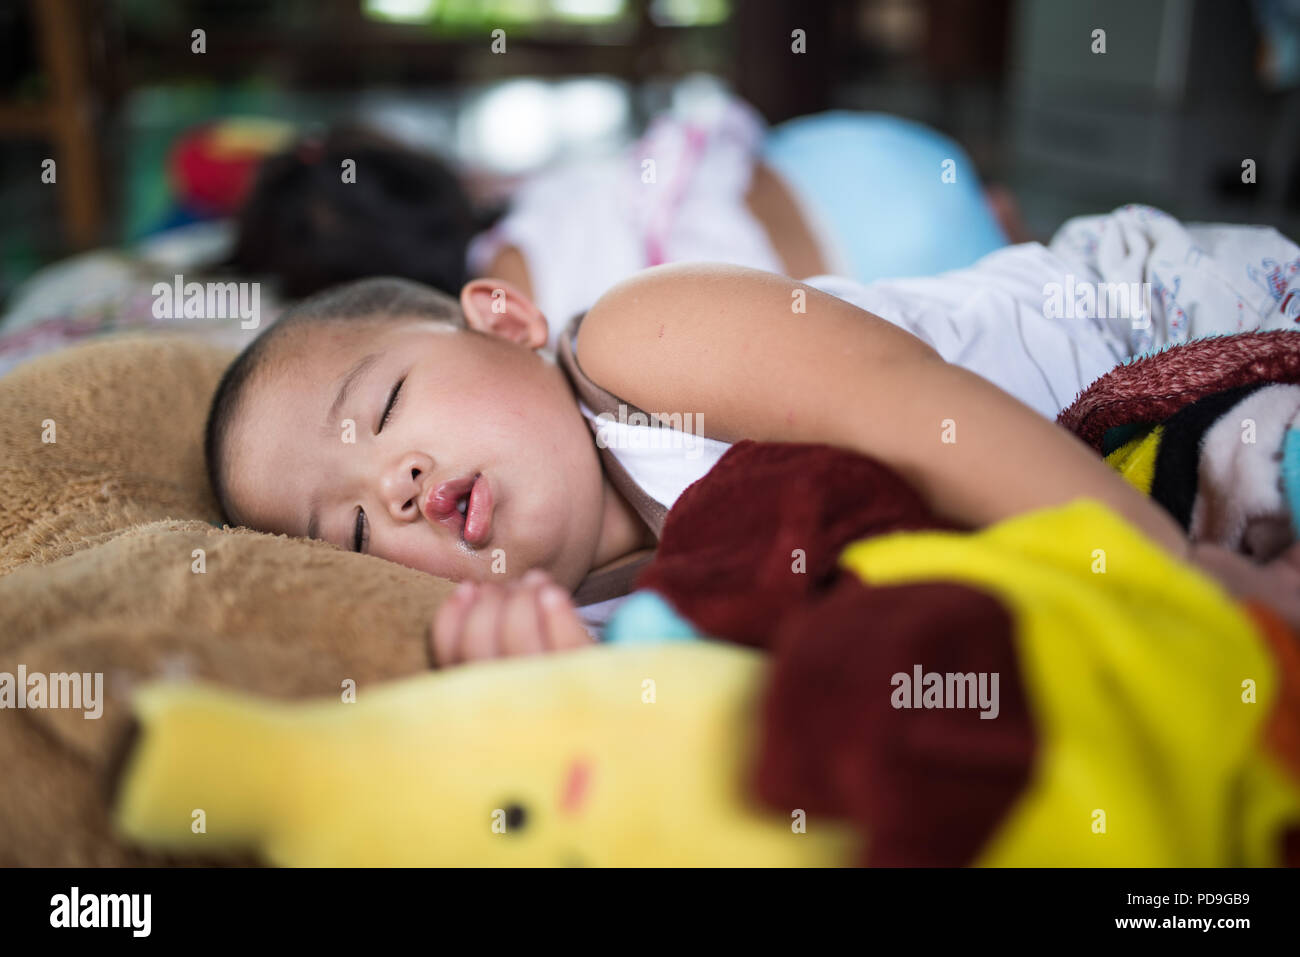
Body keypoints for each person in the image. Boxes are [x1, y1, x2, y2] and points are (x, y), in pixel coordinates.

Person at [204, 205, 1300, 666]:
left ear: (503, 319)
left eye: (386, 407)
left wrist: (1167, 580)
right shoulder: (600, 607)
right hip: (1127, 476)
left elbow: (912, 412)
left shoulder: (635, 348)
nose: (390, 485)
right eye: (348, 529)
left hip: (1162, 323)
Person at [230, 96, 1013, 345]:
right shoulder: (535, 196)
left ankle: (991, 238)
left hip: (881, 256)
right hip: (866, 154)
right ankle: (992, 216)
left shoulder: (507, 328)